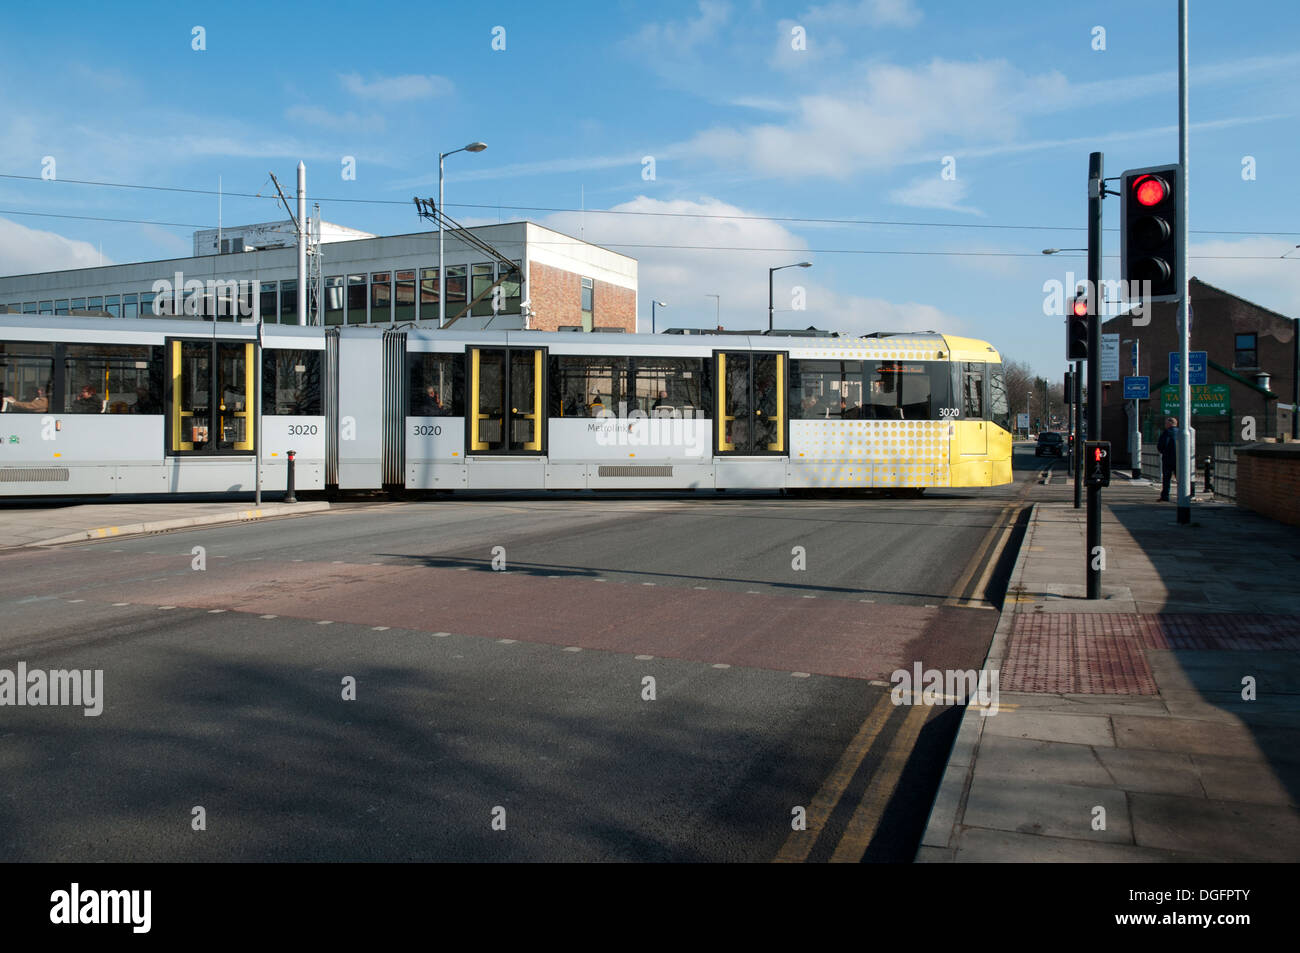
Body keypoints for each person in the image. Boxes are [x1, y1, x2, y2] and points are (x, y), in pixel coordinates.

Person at [1157, 416, 1179, 501]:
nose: (1165, 425)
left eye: (1166, 423)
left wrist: (1163, 452)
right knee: (1180, 479)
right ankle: (1181, 495)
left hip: (1168, 459)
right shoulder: (1181, 432)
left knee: (1166, 478)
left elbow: (1161, 445)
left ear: (1170, 423)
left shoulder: (1166, 433)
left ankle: (1165, 496)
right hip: (1179, 460)